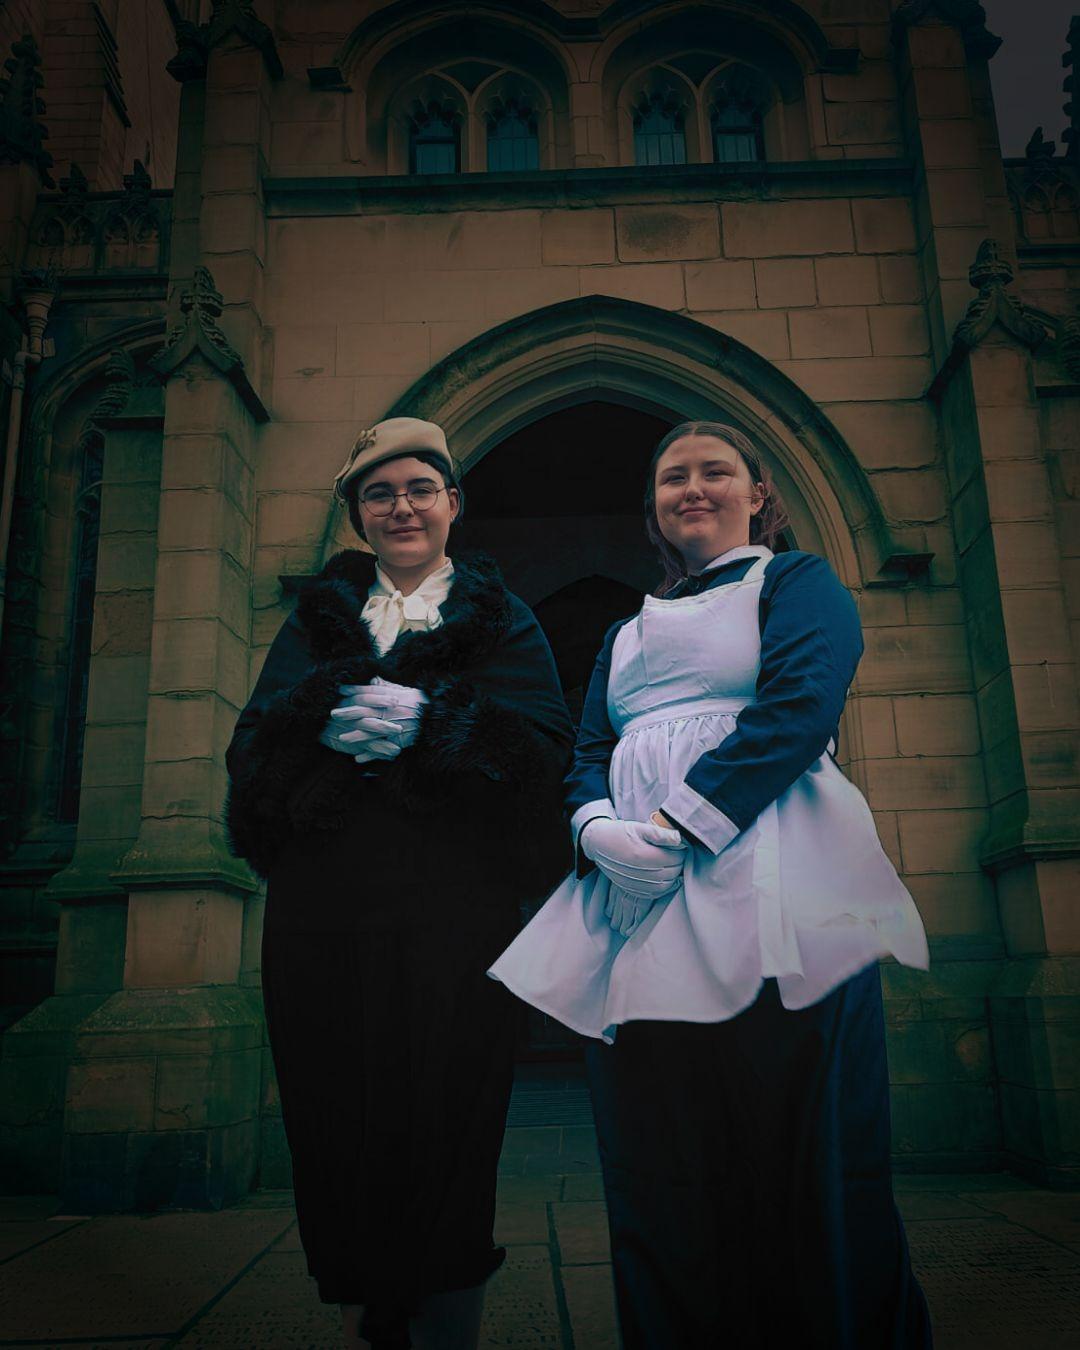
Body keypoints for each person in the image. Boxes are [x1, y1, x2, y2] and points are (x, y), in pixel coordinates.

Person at [490, 420, 933, 1349]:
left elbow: (798, 708)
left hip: (782, 883)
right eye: (671, 477)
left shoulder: (798, 583)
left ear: (756, 494)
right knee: (664, 1159)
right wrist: (595, 828)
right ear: (653, 508)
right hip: (639, 902)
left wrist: (679, 824)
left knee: (810, 1155)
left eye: (714, 472)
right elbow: (591, 752)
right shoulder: (623, 632)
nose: (692, 488)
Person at [225, 417, 573, 1350]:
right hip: (326, 910)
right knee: (335, 1103)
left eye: (420, 488)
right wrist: (314, 727)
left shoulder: (504, 620)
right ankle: (363, 1313)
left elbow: (543, 756)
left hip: (454, 909)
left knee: (447, 1102)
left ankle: (447, 1314)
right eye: (378, 494)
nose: (401, 506)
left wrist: (440, 722)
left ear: (454, 503)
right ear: (358, 515)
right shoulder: (319, 621)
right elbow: (249, 754)